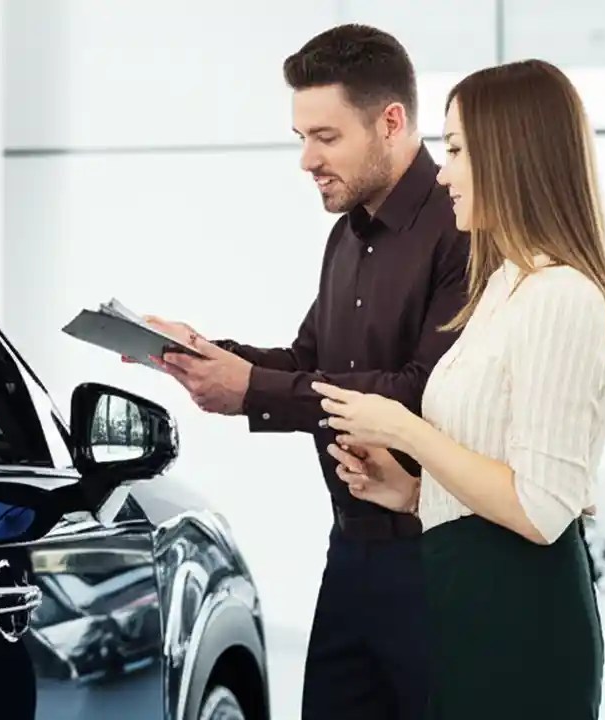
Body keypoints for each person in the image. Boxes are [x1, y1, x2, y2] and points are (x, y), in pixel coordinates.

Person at [141, 24, 469, 720]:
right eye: (300, 136)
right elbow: (311, 364)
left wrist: (252, 391)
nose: (306, 160)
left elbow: (423, 392)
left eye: (325, 136)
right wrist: (208, 354)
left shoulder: (461, 226)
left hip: (438, 562)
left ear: (390, 122)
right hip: (350, 551)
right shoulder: (346, 234)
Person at [311, 59, 605, 719]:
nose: (443, 171)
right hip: (466, 604)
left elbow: (540, 509)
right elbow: (497, 483)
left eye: (456, 150)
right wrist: (412, 490)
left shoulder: (561, 296)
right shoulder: (504, 286)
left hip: (522, 625)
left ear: (513, 156)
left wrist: (404, 429)